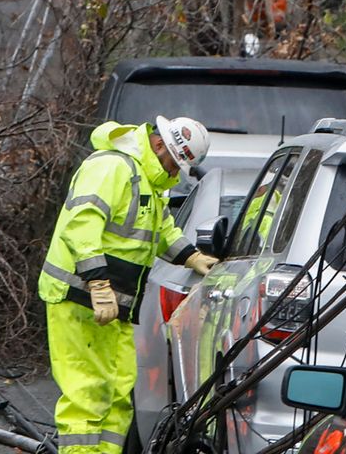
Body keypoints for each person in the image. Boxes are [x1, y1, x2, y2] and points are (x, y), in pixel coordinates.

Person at [40, 116, 216, 454]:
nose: (175, 172)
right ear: (160, 144)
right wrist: (98, 283)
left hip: (115, 306)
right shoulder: (112, 167)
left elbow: (160, 229)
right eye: (174, 163)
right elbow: (82, 224)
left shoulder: (147, 179)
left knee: (118, 394)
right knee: (87, 395)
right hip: (79, 299)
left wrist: (192, 257)